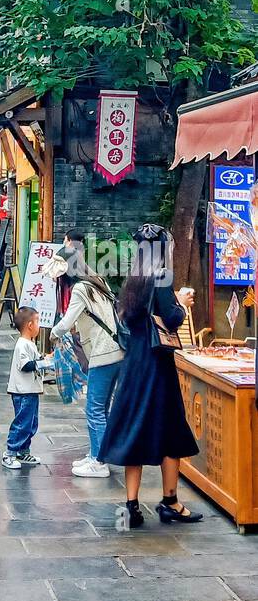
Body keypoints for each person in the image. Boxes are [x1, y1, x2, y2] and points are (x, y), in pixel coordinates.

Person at [99, 225, 201, 529]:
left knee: (136, 431)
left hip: (135, 366)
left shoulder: (135, 279)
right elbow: (171, 317)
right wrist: (181, 303)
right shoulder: (161, 277)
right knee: (172, 431)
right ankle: (170, 502)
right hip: (158, 367)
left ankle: (131, 505)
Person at [50, 264, 124, 478]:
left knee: (94, 408)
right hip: (115, 352)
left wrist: (53, 333)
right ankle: (97, 454)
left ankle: (99, 462)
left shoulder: (81, 289)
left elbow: (66, 321)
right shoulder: (97, 283)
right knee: (103, 409)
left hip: (103, 354)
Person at [3, 307, 47, 469]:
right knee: (22, 422)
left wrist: (44, 359)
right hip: (23, 392)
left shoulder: (29, 344)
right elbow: (27, 365)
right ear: (30, 325)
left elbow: (35, 360)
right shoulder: (22, 345)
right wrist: (44, 363)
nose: (39, 325)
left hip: (31, 390)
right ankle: (10, 452)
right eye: (37, 321)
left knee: (31, 422)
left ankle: (23, 451)